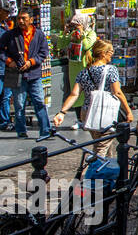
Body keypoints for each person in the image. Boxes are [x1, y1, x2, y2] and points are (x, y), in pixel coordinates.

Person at [52, 40, 133, 193]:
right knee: (100, 150)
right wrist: (128, 111)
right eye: (110, 53)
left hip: (88, 113)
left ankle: (108, 184)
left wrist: (62, 112)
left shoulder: (84, 72)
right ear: (103, 54)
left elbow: (74, 94)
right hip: (104, 114)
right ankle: (87, 186)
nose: (112, 56)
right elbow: (117, 92)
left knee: (106, 147)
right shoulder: (111, 70)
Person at [0, 11, 52, 139]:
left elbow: (43, 52)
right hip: (16, 74)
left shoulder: (39, 34)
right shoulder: (10, 34)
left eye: (24, 18)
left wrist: (31, 62)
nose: (21, 21)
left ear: (31, 19)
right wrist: (9, 61)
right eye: (19, 18)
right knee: (19, 104)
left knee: (39, 102)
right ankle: (21, 131)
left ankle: (45, 130)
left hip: (34, 74)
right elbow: (1, 50)